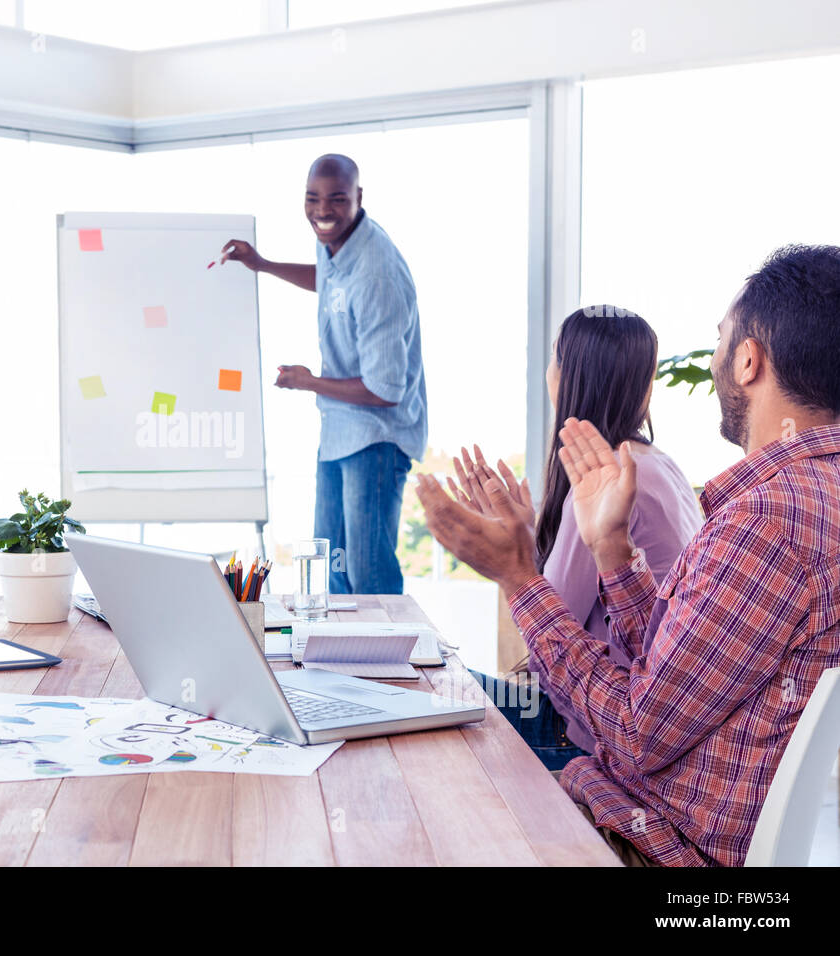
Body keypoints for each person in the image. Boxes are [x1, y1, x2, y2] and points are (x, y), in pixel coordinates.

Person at [416, 244, 840, 866]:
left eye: (720, 340)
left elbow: (637, 735)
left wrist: (517, 576)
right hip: (652, 813)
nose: (716, 358)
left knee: (412, 778)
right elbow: (670, 674)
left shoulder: (769, 520)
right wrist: (611, 550)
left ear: (748, 359)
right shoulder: (811, 497)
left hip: (651, 844)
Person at [448, 307, 702, 771]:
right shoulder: (658, 465)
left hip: (590, 737)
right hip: (637, 726)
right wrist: (527, 536)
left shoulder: (605, 488)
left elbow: (548, 643)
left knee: (433, 688)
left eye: (553, 357)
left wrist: (511, 559)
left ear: (568, 376)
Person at [221, 153, 426, 595]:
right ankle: (339, 643)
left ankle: (384, 644)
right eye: (313, 198)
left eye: (336, 199)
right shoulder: (336, 240)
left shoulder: (377, 274)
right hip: (339, 429)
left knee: (368, 577)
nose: (322, 211)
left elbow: (386, 389)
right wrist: (263, 265)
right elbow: (332, 281)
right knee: (330, 567)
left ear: (358, 197)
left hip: (375, 439)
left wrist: (306, 381)